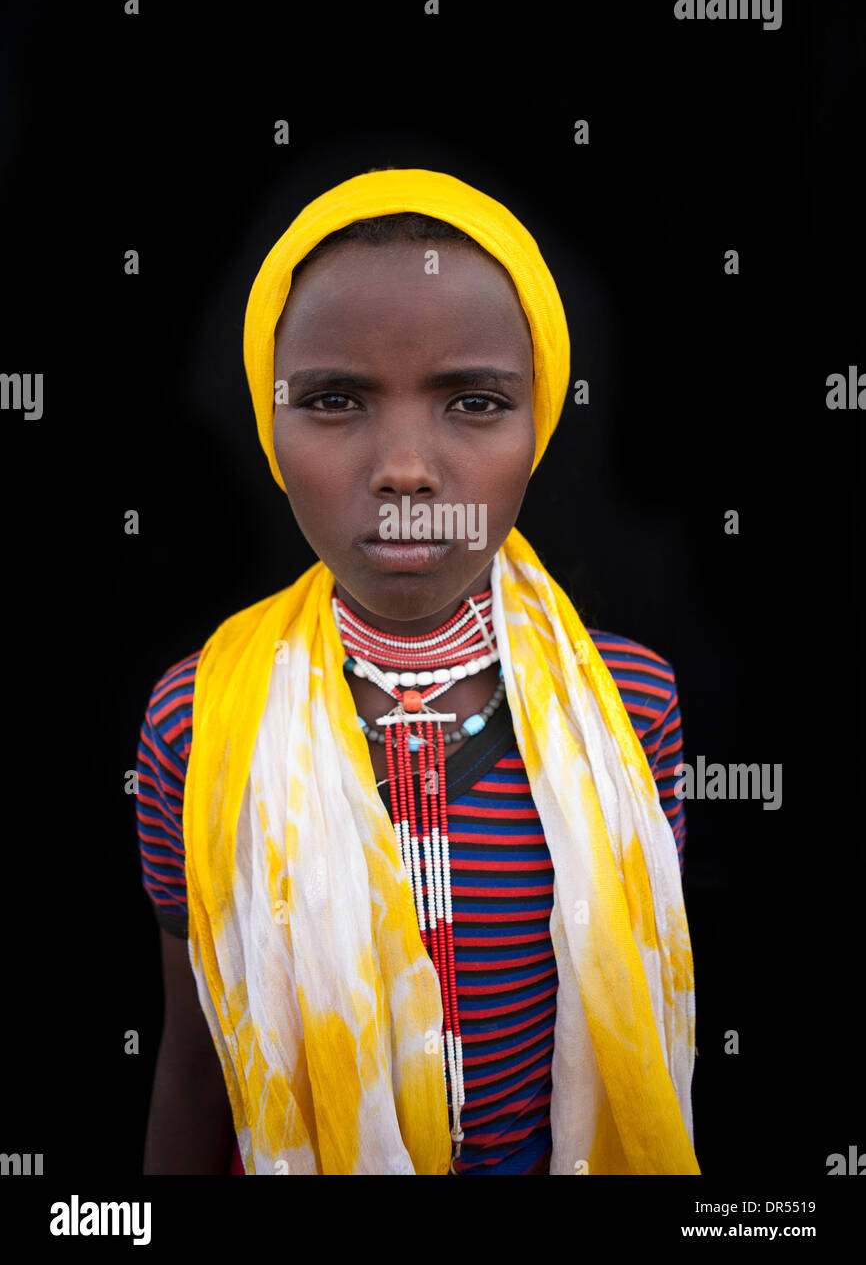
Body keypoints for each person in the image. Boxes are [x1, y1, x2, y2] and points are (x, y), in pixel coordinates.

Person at [136, 167, 699, 1176]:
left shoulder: (631, 706)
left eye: (473, 401)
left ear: (539, 426)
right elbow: (193, 1061)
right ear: (271, 427)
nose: (404, 466)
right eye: (336, 399)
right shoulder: (195, 721)